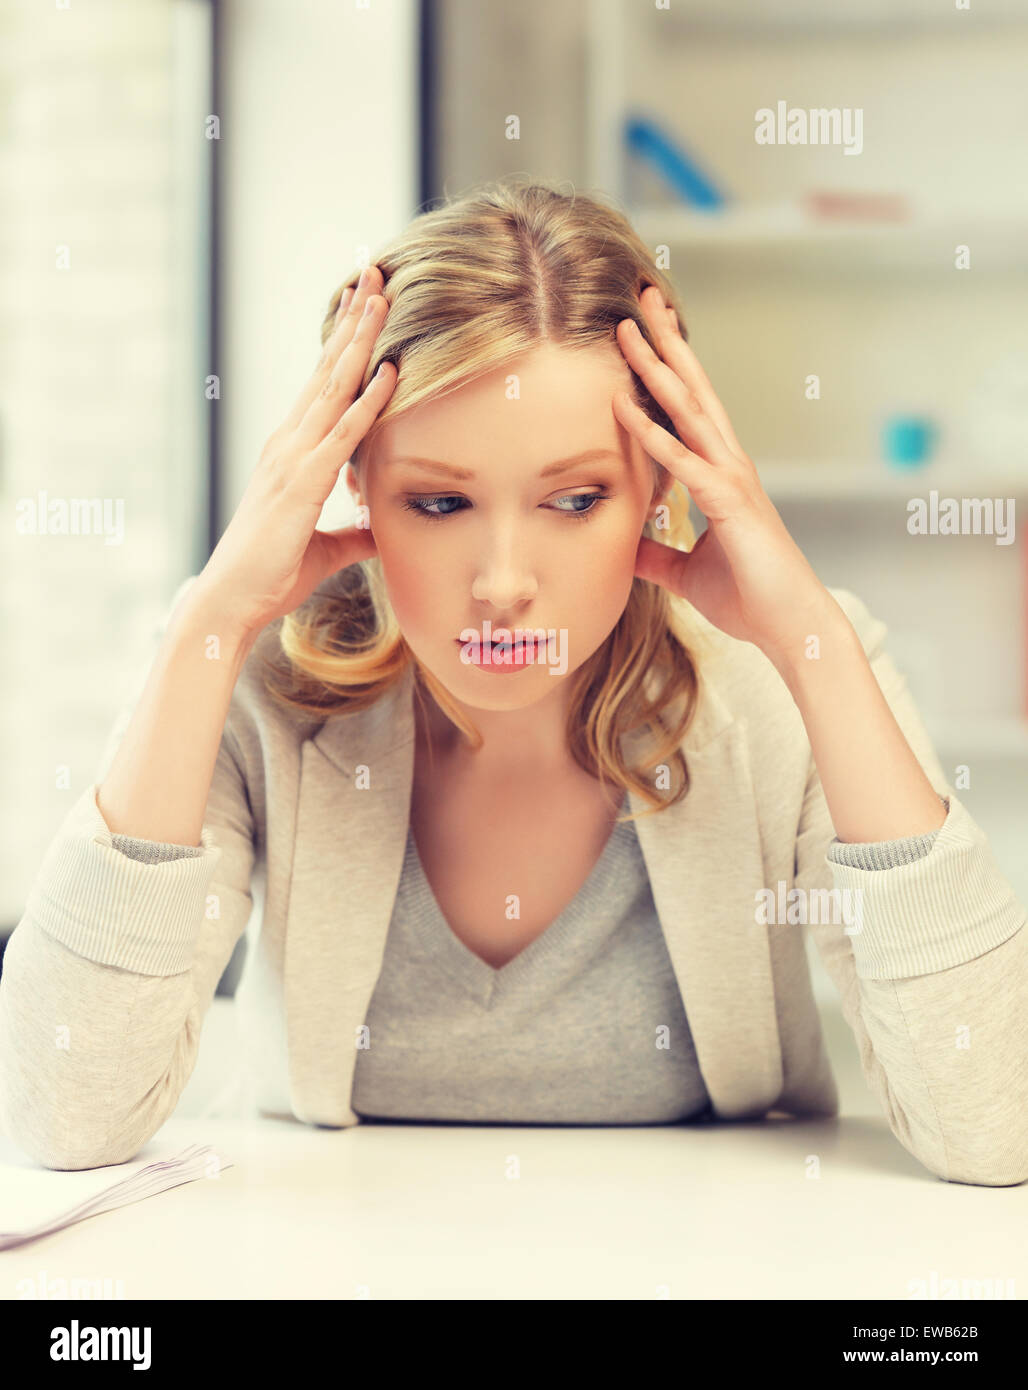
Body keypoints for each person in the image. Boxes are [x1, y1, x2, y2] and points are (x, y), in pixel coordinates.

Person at [1, 177, 1025, 1183]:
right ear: (349, 482)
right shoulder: (259, 683)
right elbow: (65, 1111)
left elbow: (994, 1127)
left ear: (660, 484)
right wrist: (206, 628)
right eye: (438, 504)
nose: (500, 585)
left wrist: (813, 640)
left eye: (574, 498)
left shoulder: (786, 679)